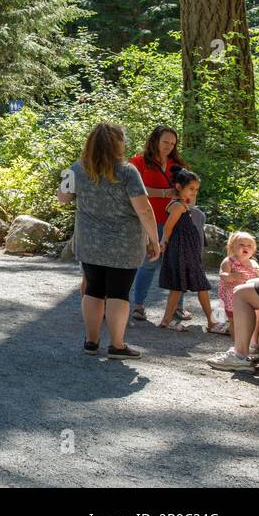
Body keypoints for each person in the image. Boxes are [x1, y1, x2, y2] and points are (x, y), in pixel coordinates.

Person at [56, 123, 160, 360]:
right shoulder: (127, 172)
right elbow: (144, 210)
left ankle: (91, 342)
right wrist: (154, 239)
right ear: (117, 143)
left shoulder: (78, 169)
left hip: (89, 242)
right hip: (124, 245)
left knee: (93, 289)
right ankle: (117, 345)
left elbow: (62, 198)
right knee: (119, 293)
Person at [128, 126, 186, 323]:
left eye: (172, 143)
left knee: (177, 263)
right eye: (165, 142)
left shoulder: (177, 164)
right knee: (149, 262)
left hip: (173, 219)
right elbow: (133, 190)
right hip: (147, 219)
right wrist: (163, 193)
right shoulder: (137, 162)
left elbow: (188, 188)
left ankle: (178, 306)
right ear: (155, 140)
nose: (169, 146)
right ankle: (138, 305)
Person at [155, 169, 217, 332]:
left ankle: (166, 320)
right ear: (178, 187)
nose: (194, 192)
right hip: (183, 250)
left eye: (196, 189)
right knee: (200, 284)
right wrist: (163, 242)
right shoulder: (178, 206)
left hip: (186, 249)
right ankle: (211, 321)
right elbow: (168, 227)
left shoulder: (183, 204)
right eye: (191, 188)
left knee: (178, 285)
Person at [208, 257, 259, 371]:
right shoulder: (228, 261)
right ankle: (252, 346)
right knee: (252, 286)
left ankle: (240, 356)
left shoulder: (252, 263)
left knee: (241, 293)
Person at [213, 231, 259, 338]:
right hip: (232, 298)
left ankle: (249, 342)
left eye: (249, 245)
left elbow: (258, 279)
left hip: (249, 298)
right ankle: (236, 345)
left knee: (249, 320)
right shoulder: (229, 261)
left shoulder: (254, 264)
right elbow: (222, 274)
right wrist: (232, 276)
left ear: (254, 249)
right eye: (241, 244)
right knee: (234, 321)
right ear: (232, 247)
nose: (246, 247)